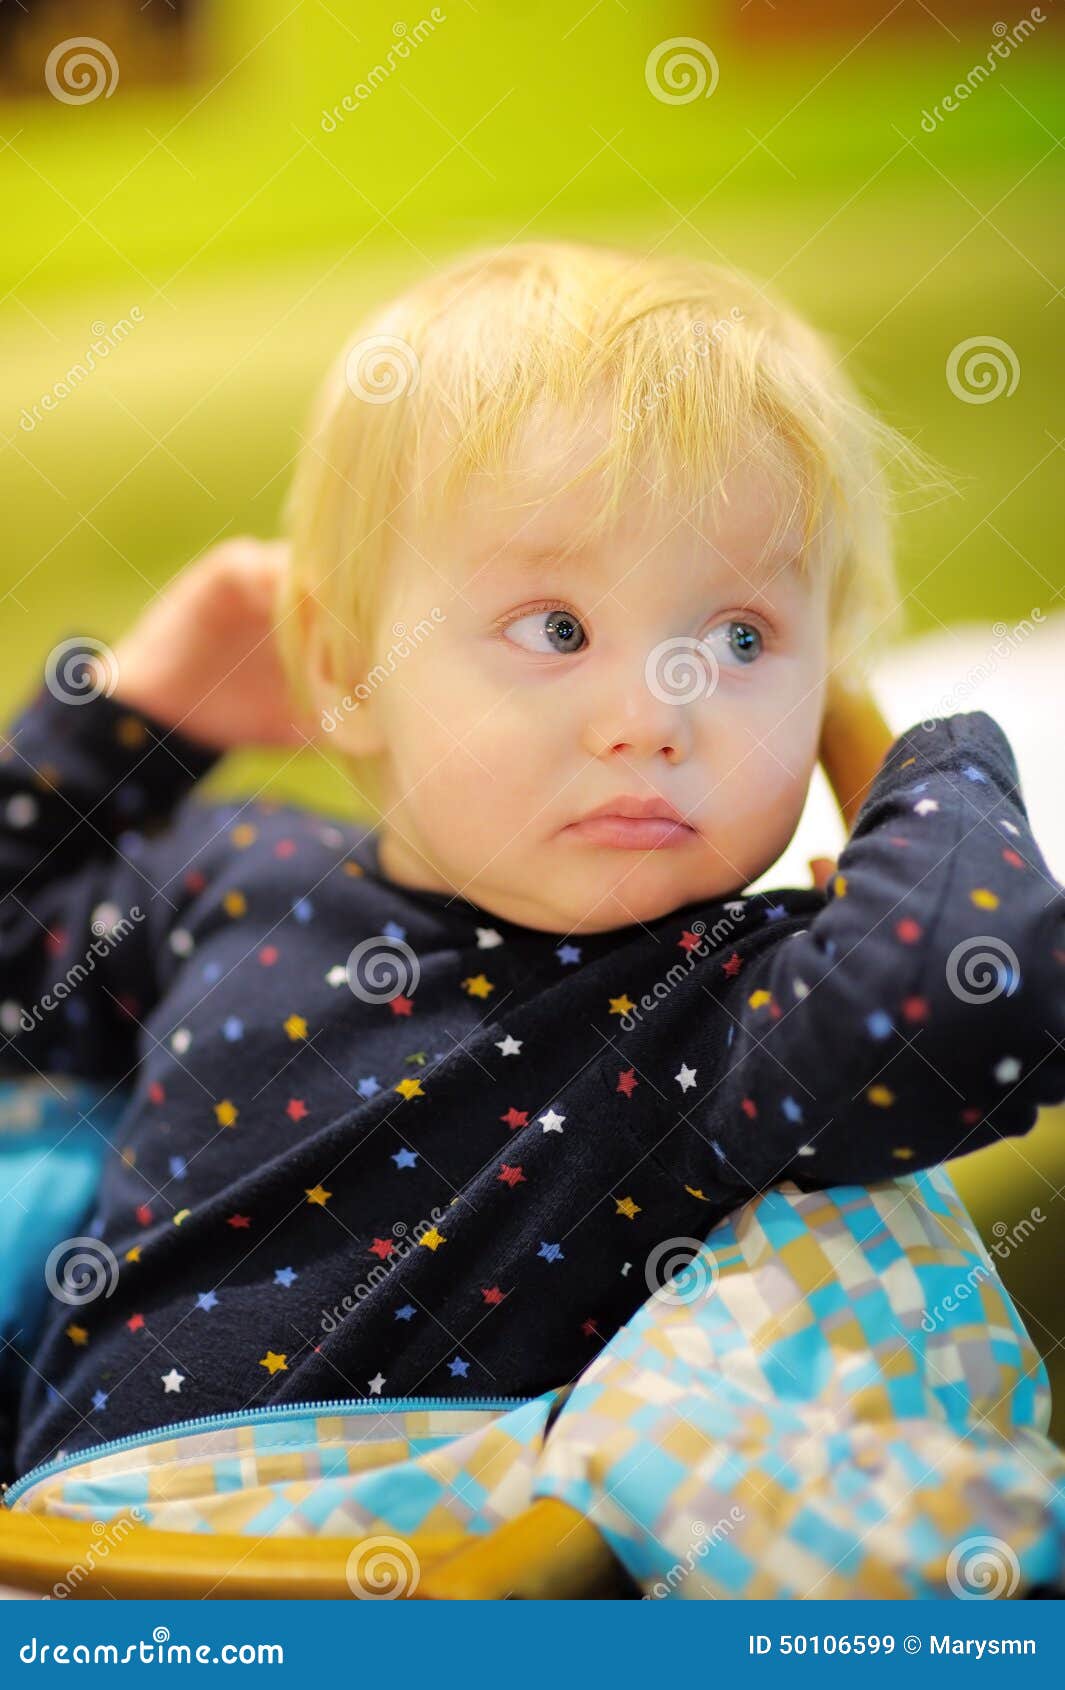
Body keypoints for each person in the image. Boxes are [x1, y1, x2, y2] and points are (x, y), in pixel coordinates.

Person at [2, 241, 1062, 1485]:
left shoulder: (730, 994)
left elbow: (979, 996)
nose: (653, 716)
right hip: (61, 1544)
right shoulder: (239, 870)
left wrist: (904, 753)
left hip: (403, 1548)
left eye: (743, 637)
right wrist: (125, 711)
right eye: (558, 628)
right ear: (347, 668)